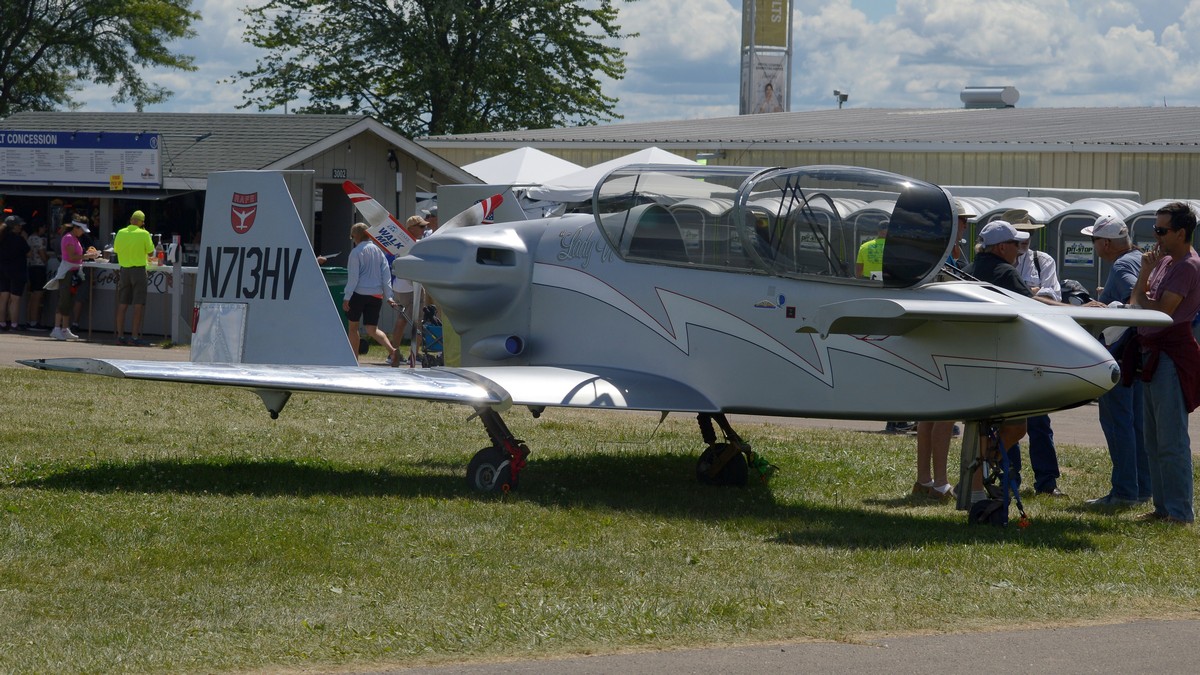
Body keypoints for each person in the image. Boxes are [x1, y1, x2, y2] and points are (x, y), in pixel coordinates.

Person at [1128, 201, 1200, 525]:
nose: (1155, 236)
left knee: (1171, 440)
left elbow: (1161, 312)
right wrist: (1145, 276)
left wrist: (1144, 283)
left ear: (1181, 233)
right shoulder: (1165, 261)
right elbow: (1137, 300)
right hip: (1152, 354)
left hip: (1169, 356)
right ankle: (1163, 508)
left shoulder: (1187, 266)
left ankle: (1180, 512)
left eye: (1161, 230)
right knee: (1153, 439)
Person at [1080, 213, 1151, 507]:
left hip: (1120, 356)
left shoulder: (1121, 266)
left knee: (1117, 422)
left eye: (1094, 240)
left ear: (1106, 243)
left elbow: (1137, 300)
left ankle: (1123, 492)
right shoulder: (1136, 258)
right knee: (1137, 425)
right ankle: (1142, 489)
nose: (1094, 246)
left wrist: (1110, 306)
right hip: (1137, 356)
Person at [1003, 209, 1066, 497]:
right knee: (1008, 417)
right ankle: (1009, 477)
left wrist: (1030, 294)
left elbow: (1054, 295)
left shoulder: (1043, 260)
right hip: (1007, 345)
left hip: (1036, 345)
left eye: (1028, 232)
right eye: (1018, 233)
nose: (1024, 238)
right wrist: (1034, 293)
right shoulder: (1000, 264)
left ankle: (1047, 481)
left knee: (1040, 418)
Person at [344, 222, 399, 365]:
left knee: (353, 328)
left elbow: (353, 277)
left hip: (358, 293)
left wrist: (347, 296)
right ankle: (392, 350)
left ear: (355, 236)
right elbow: (386, 275)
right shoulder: (379, 252)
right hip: (376, 295)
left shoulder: (356, 252)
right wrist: (389, 296)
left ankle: (354, 360)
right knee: (372, 329)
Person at [389, 215, 427, 367]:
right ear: (411, 228)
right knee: (418, 321)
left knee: (402, 320)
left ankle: (393, 352)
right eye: (421, 226)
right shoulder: (415, 244)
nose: (424, 229)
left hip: (399, 286)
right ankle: (413, 355)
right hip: (411, 287)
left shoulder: (400, 243)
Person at [52, 217, 98, 340]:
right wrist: (87, 256)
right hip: (67, 272)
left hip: (73, 272)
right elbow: (72, 257)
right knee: (63, 301)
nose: (83, 232)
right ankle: (56, 328)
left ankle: (65, 329)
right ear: (76, 228)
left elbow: (75, 256)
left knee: (69, 301)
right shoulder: (68, 238)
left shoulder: (75, 238)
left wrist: (86, 255)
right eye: (82, 230)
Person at [113, 210, 155, 345]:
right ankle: (134, 337)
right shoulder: (144, 233)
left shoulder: (120, 232)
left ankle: (120, 336)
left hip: (124, 270)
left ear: (131, 220)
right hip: (139, 270)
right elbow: (151, 252)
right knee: (138, 304)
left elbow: (116, 250)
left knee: (122, 303)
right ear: (142, 222)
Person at [0, 214, 31, 331]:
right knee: (15, 299)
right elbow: (29, 253)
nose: (20, 227)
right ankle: (13, 324)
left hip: (2, 270)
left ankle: (2, 323)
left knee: (3, 298)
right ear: (14, 227)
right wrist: (25, 239)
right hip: (17, 271)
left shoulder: (1, 238)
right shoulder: (19, 239)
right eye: (19, 225)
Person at [25, 222, 49, 330]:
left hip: (31, 267)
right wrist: (47, 257)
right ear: (39, 228)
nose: (44, 230)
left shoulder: (29, 238)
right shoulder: (39, 240)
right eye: (43, 227)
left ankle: (29, 320)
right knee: (38, 296)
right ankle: (34, 322)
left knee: (32, 296)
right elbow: (43, 256)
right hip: (39, 268)